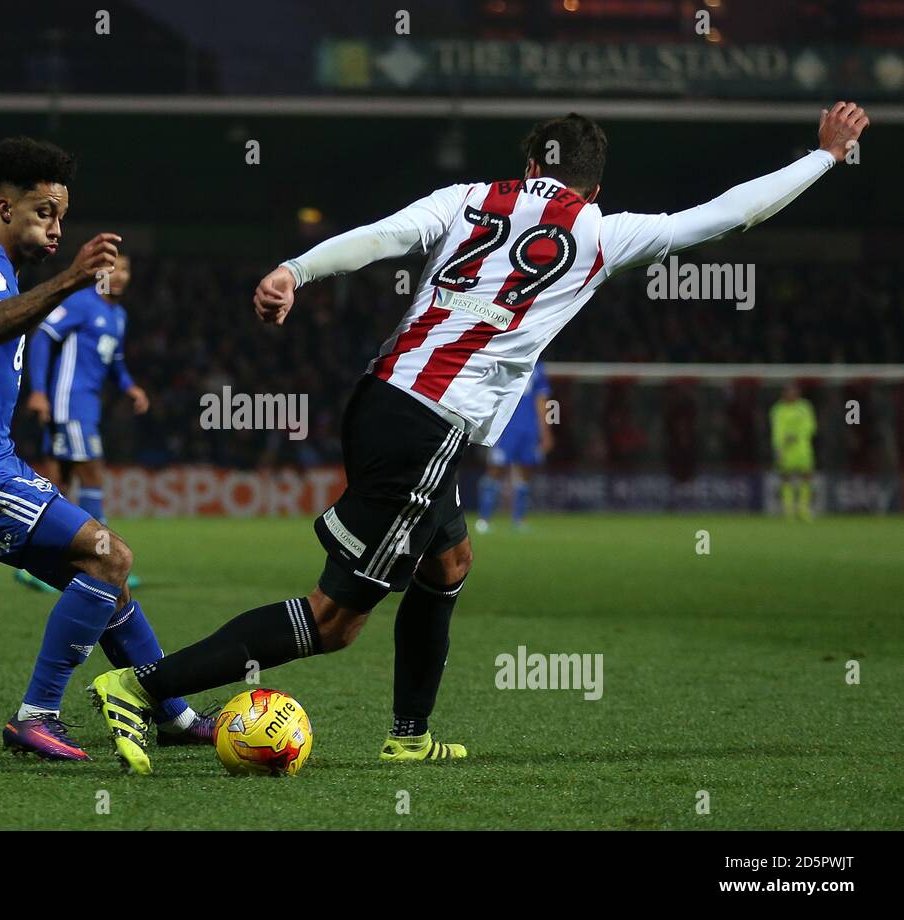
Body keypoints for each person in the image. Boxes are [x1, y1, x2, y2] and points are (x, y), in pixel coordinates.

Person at [89, 102, 871, 775]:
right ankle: (142, 688)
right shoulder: (603, 231)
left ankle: (409, 737)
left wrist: (297, 269)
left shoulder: (468, 197)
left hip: (387, 400)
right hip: (428, 424)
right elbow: (728, 213)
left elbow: (382, 236)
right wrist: (824, 156)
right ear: (594, 186)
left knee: (451, 561)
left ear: (530, 160)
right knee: (335, 621)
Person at [0, 138, 211, 760]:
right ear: (5, 208)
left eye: (62, 216)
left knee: (105, 579)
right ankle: (35, 715)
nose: (57, 228)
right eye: (44, 214)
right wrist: (72, 278)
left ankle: (172, 712)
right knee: (113, 555)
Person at [17, 252, 149, 593]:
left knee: (59, 481)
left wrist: (129, 385)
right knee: (92, 473)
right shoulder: (80, 302)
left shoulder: (118, 315)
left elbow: (115, 361)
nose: (119, 275)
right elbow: (43, 336)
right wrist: (40, 392)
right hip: (69, 401)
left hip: (88, 404)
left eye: (125, 268)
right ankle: (103, 559)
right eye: (112, 268)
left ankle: (38, 563)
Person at [476, 360, 553, 532]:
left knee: (525, 473)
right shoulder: (506, 361)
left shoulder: (539, 368)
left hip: (529, 429)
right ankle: (484, 518)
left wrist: (546, 432)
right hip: (505, 427)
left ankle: (519, 520)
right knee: (496, 469)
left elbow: (543, 402)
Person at [771, 382, 817, 521]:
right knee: (785, 477)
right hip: (785, 449)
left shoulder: (805, 407)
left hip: (802, 448)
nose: (792, 394)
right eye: (789, 392)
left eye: (794, 391)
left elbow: (811, 426)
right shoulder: (778, 409)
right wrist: (778, 448)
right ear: (784, 394)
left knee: (807, 475)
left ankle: (803, 509)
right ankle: (788, 510)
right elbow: (776, 430)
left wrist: (796, 435)